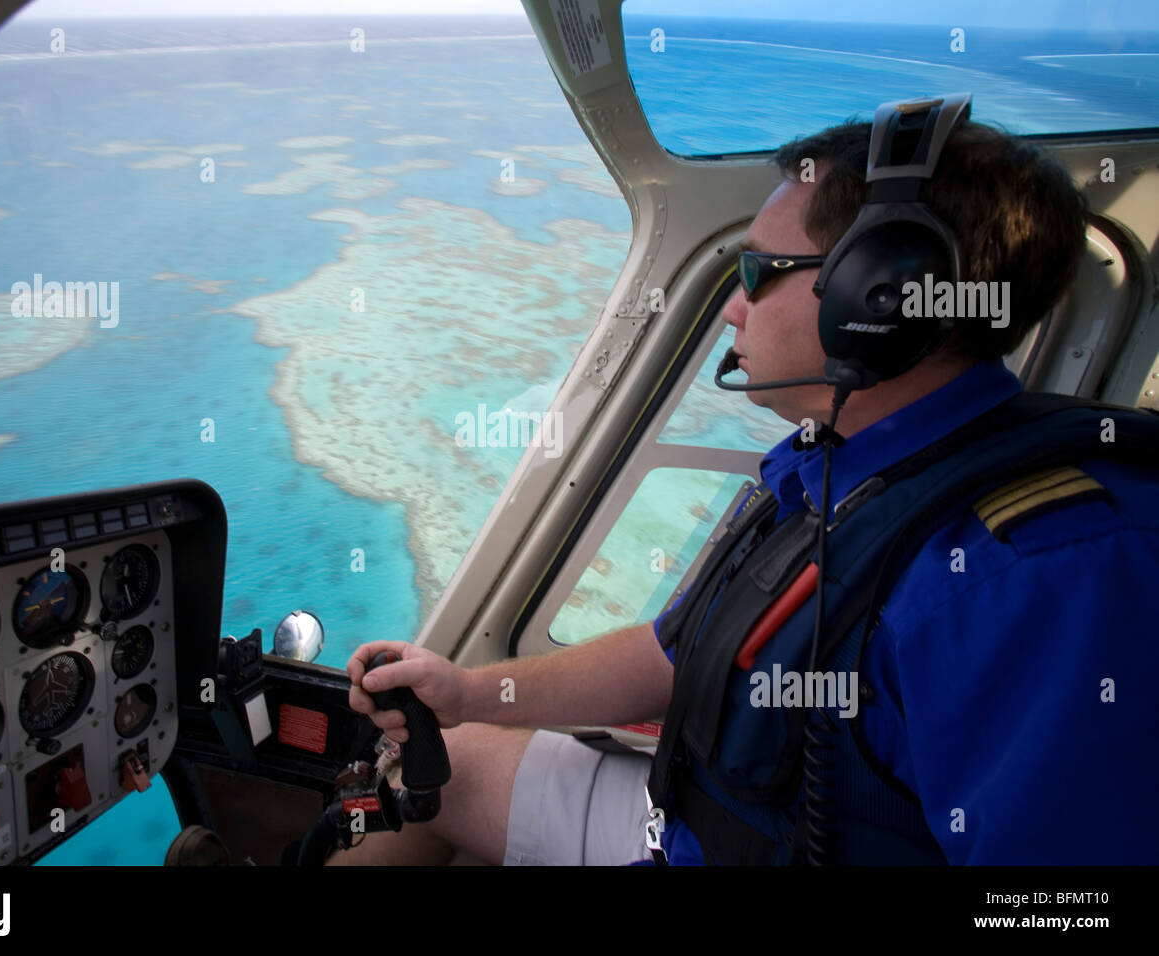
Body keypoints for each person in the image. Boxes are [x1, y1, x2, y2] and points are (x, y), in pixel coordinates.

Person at [335, 112, 1159, 866]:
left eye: (759, 271)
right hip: (692, 824)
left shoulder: (1035, 575)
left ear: (882, 298)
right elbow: (675, 650)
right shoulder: (826, 462)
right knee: (433, 774)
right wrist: (475, 690)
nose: (732, 307)